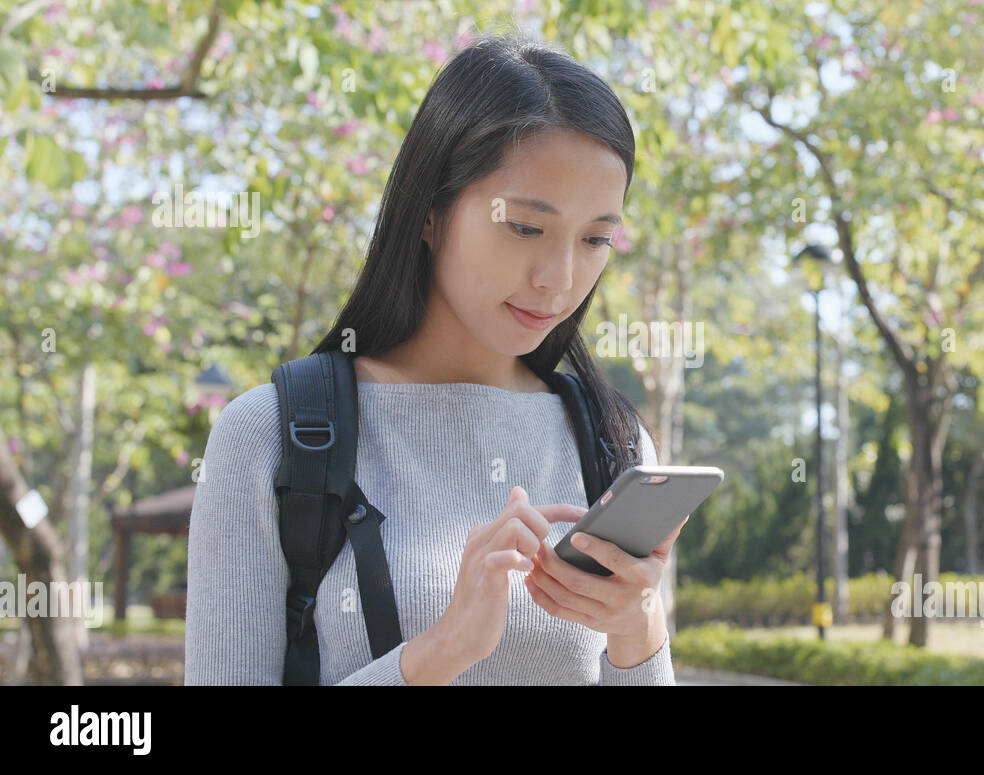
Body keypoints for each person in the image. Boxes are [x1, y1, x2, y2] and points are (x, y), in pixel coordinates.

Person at [184, 33, 680, 685]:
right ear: (429, 213)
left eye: (595, 238)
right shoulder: (271, 438)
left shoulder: (612, 443)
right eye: (526, 227)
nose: (558, 278)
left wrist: (638, 628)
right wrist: (437, 651)